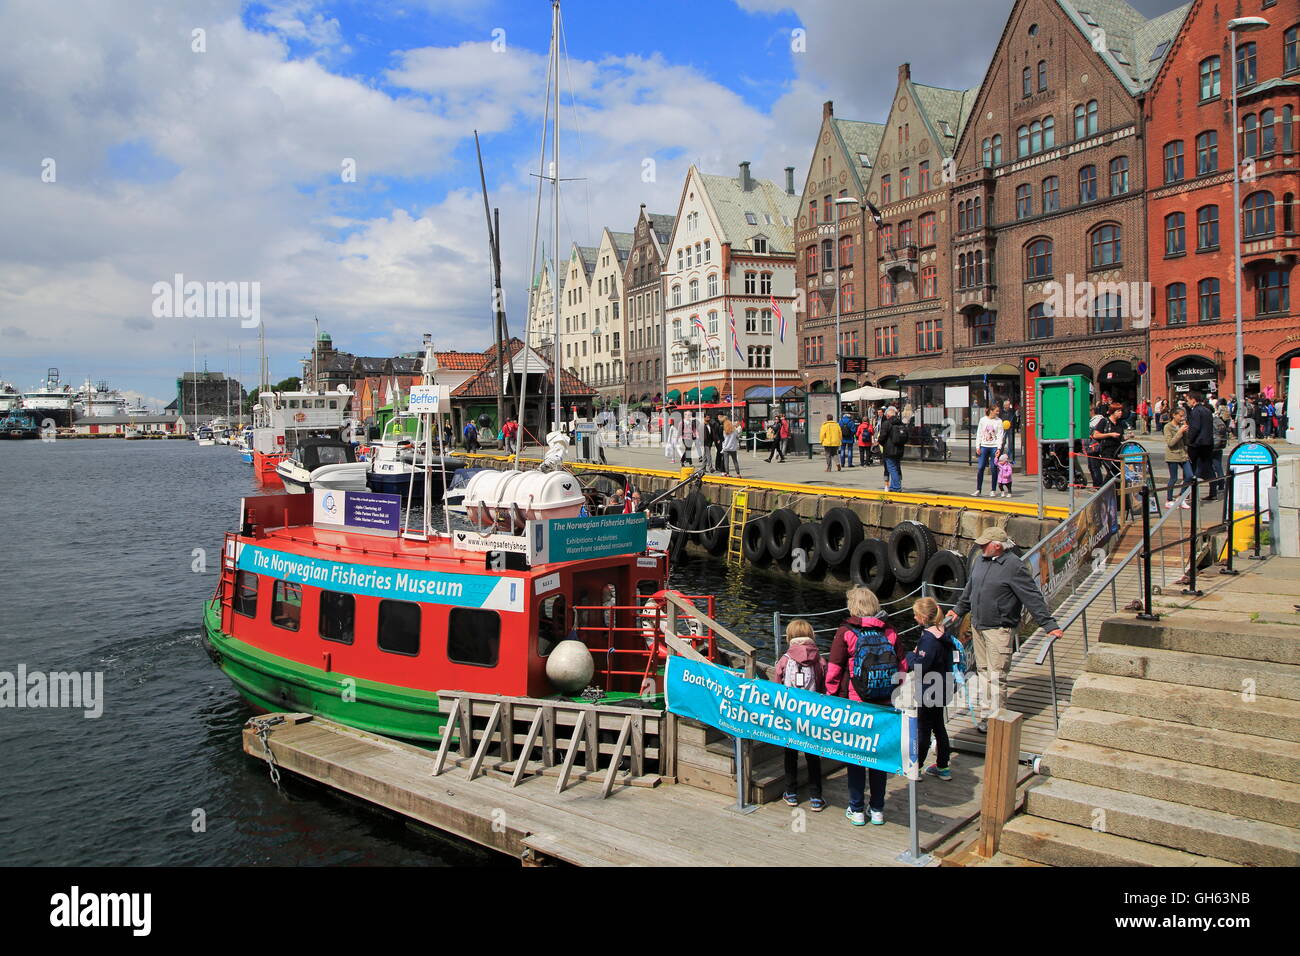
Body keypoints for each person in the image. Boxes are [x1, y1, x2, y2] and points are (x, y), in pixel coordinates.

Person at [946, 527, 1063, 732]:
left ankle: (997, 720)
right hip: (978, 626)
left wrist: (1048, 624)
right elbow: (970, 590)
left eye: (985, 544)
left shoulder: (1013, 566)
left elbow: (1031, 596)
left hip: (999, 629)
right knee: (983, 671)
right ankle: (986, 716)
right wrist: (958, 610)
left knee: (996, 675)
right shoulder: (981, 561)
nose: (980, 547)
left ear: (997, 546)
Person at [826, 587, 899, 826]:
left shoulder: (846, 631)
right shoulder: (889, 631)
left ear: (853, 606)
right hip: (884, 703)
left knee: (856, 755)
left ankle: (856, 808)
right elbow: (903, 667)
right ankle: (877, 809)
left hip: (855, 703)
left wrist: (830, 697)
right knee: (878, 756)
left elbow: (834, 669)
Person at [775, 619, 826, 811]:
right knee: (813, 756)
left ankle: (791, 792)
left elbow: (777, 685)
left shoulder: (785, 659)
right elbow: (822, 686)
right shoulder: (819, 660)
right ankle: (816, 796)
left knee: (790, 754)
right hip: (811, 714)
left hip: (790, 714)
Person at [906, 597, 953, 781]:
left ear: (924, 617)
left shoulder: (928, 639)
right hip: (942, 685)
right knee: (939, 727)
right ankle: (943, 766)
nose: (914, 618)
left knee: (923, 729)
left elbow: (920, 666)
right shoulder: (943, 633)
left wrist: (910, 656)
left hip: (928, 689)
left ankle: (916, 767)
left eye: (916, 615)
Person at [1185, 390, 1215, 499]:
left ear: (1193, 400)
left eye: (1188, 400)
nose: (1187, 402)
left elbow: (1195, 428)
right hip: (1208, 442)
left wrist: (1189, 440)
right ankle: (1213, 492)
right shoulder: (1207, 410)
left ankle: (1188, 492)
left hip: (1197, 444)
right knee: (1208, 467)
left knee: (1190, 468)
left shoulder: (1195, 411)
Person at [1163, 407, 1193, 509]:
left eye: (1183, 415)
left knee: (1189, 476)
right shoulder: (1168, 427)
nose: (1182, 418)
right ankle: (1169, 499)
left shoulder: (1181, 426)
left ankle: (1181, 497)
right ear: (1174, 415)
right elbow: (1170, 443)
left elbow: (1185, 442)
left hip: (1183, 454)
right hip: (1173, 455)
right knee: (1174, 478)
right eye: (1180, 415)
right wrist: (1179, 432)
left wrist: (1185, 432)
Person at [973, 405, 1005, 497]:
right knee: (980, 467)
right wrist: (977, 446)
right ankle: (978, 489)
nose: (998, 413)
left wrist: (999, 448)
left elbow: (1000, 435)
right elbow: (979, 433)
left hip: (994, 446)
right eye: (996, 411)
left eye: (998, 411)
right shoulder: (983, 420)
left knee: (993, 468)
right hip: (984, 446)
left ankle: (993, 490)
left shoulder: (999, 421)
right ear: (991, 411)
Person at [878, 406, 907, 492]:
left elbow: (882, 437)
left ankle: (896, 487)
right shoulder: (901, 423)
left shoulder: (886, 423)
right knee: (897, 467)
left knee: (891, 468)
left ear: (887, 416)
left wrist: (881, 443)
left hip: (889, 449)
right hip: (899, 449)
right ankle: (895, 485)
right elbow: (906, 436)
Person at [1210, 401, 1231, 498]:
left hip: (1212, 446)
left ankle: (1214, 488)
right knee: (1218, 466)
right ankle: (1222, 485)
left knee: (1210, 468)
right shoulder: (1217, 419)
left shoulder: (1209, 420)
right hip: (1220, 444)